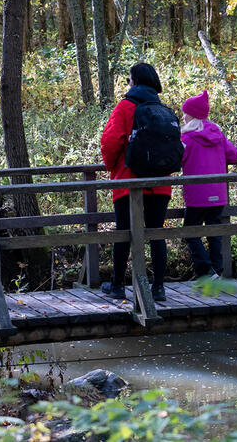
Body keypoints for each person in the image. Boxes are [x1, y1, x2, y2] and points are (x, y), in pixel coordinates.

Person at [99, 63, 174, 302]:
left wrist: (112, 167)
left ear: (134, 81)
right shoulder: (162, 109)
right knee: (156, 233)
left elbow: (110, 142)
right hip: (160, 182)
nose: (128, 83)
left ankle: (118, 285)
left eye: (129, 79)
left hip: (128, 182)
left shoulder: (125, 107)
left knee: (124, 232)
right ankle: (159, 288)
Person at [179, 90, 237, 278]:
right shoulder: (217, 134)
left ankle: (205, 269)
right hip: (218, 193)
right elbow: (233, 155)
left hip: (197, 195)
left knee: (190, 231)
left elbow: (177, 159)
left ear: (192, 115)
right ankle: (217, 271)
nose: (183, 116)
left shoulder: (186, 138)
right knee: (214, 231)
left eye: (185, 113)